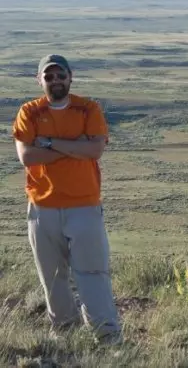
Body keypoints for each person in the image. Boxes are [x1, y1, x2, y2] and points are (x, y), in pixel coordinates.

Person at [12, 54, 122, 344]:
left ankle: (107, 336)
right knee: (52, 275)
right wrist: (76, 147)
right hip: (42, 208)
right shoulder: (29, 112)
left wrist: (47, 142)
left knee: (92, 273)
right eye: (49, 76)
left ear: (70, 77)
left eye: (60, 75)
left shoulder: (88, 109)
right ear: (40, 80)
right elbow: (27, 156)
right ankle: (65, 334)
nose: (55, 81)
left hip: (83, 206)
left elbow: (95, 151)